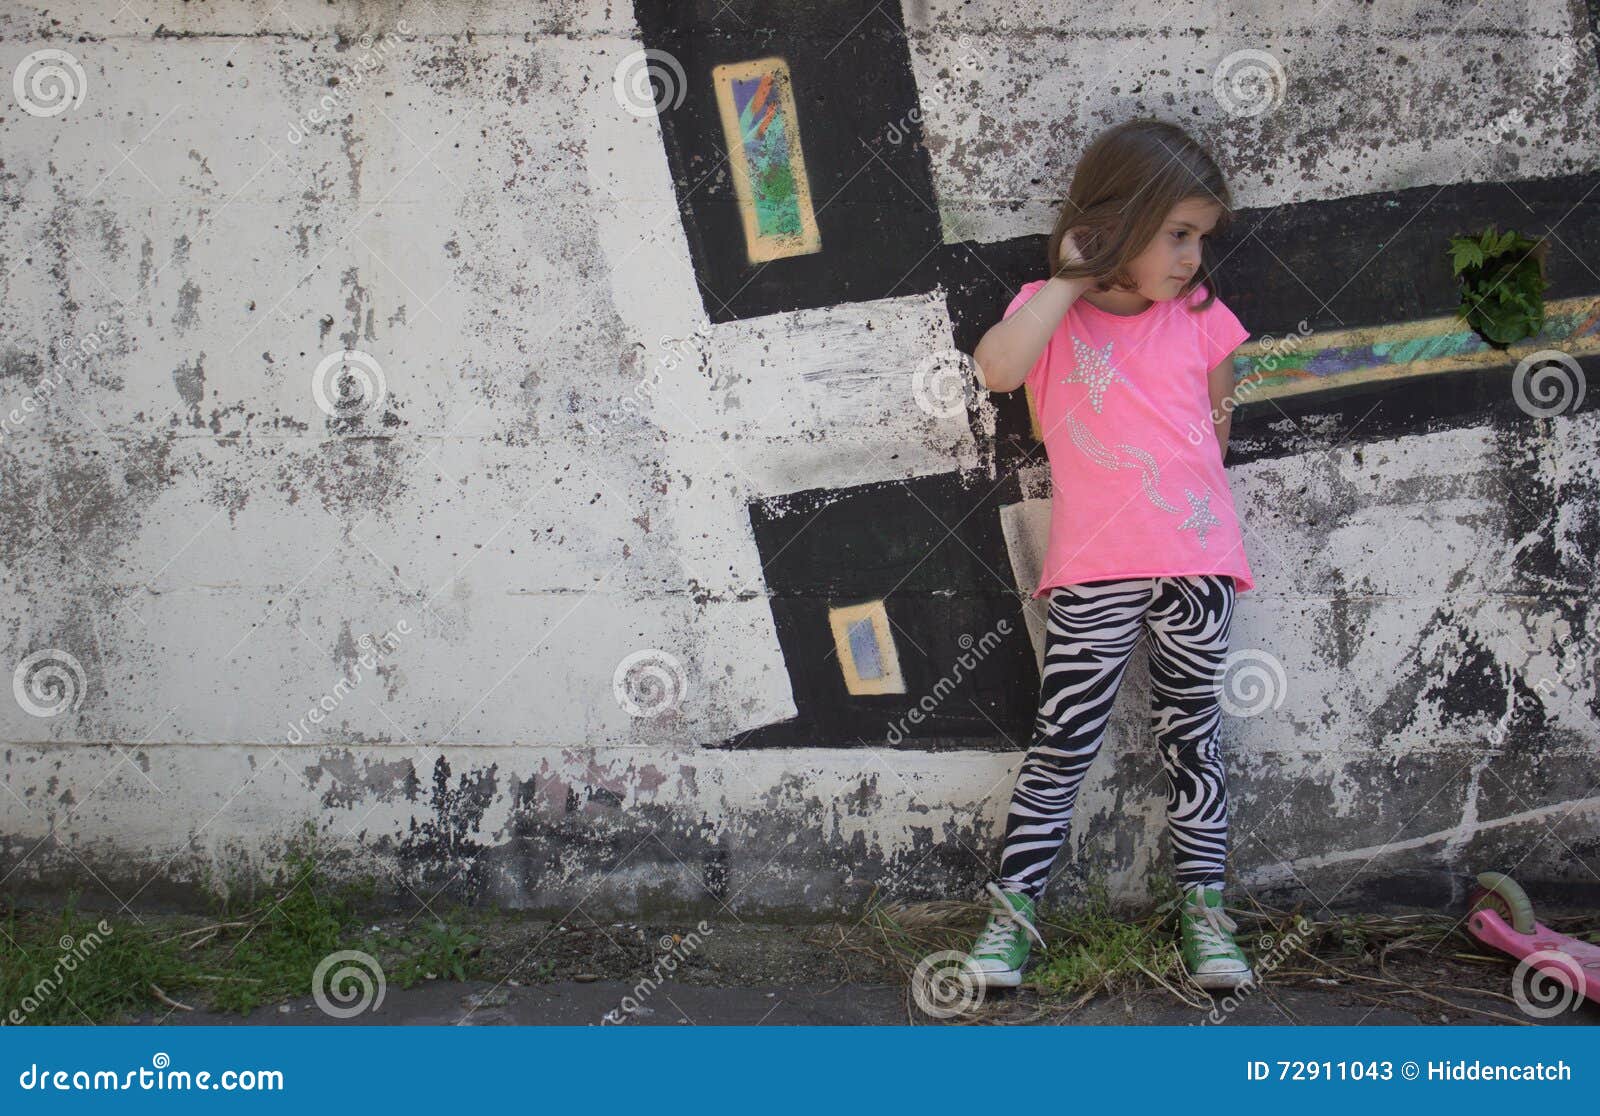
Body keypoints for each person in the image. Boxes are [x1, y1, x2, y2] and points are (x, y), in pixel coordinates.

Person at [966, 118, 1256, 992]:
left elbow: (1216, 432)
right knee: (1063, 745)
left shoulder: (1202, 317)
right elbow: (997, 370)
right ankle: (1010, 921)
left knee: (1193, 742)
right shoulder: (1047, 314)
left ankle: (1205, 914)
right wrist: (1072, 274)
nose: (1191, 258)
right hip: (1095, 569)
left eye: (1200, 238)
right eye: (1175, 234)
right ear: (1121, 223)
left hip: (1198, 563)